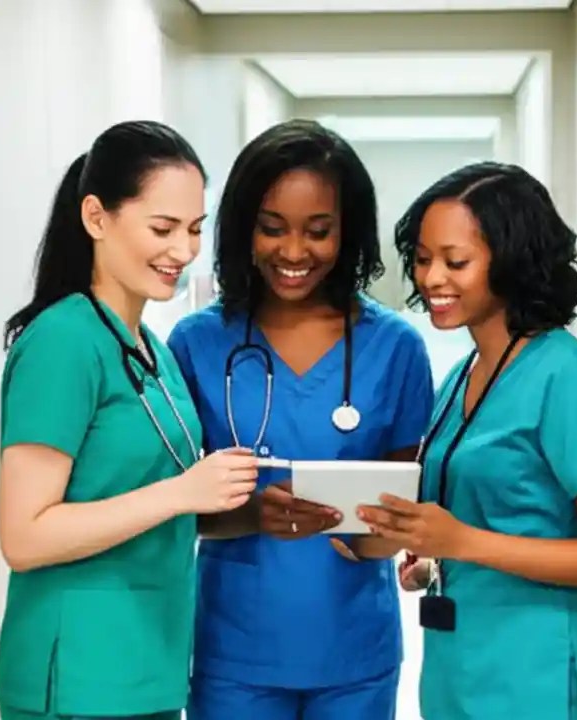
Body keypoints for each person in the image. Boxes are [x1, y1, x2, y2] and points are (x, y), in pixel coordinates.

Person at [166, 119, 435, 720]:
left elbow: (407, 502)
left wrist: (386, 534)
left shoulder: (394, 348)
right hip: (234, 653)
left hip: (354, 652)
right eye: (272, 228)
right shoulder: (196, 343)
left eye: (318, 231)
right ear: (243, 228)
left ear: (348, 232)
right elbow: (169, 507)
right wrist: (251, 515)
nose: (293, 252)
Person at [0, 120, 260, 720]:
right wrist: (181, 493)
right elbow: (24, 536)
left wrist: (247, 511)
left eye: (195, 229)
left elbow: (150, 505)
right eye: (162, 229)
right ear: (96, 217)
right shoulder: (62, 343)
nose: (184, 251)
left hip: (149, 665)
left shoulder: (150, 349)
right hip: (82, 676)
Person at [359, 162, 577, 720]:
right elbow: (483, 516)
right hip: (461, 668)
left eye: (455, 262)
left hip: (538, 676)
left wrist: (462, 542)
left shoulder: (567, 376)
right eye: (423, 258)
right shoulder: (463, 375)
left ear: (512, 261)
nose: (431, 278)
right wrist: (432, 556)